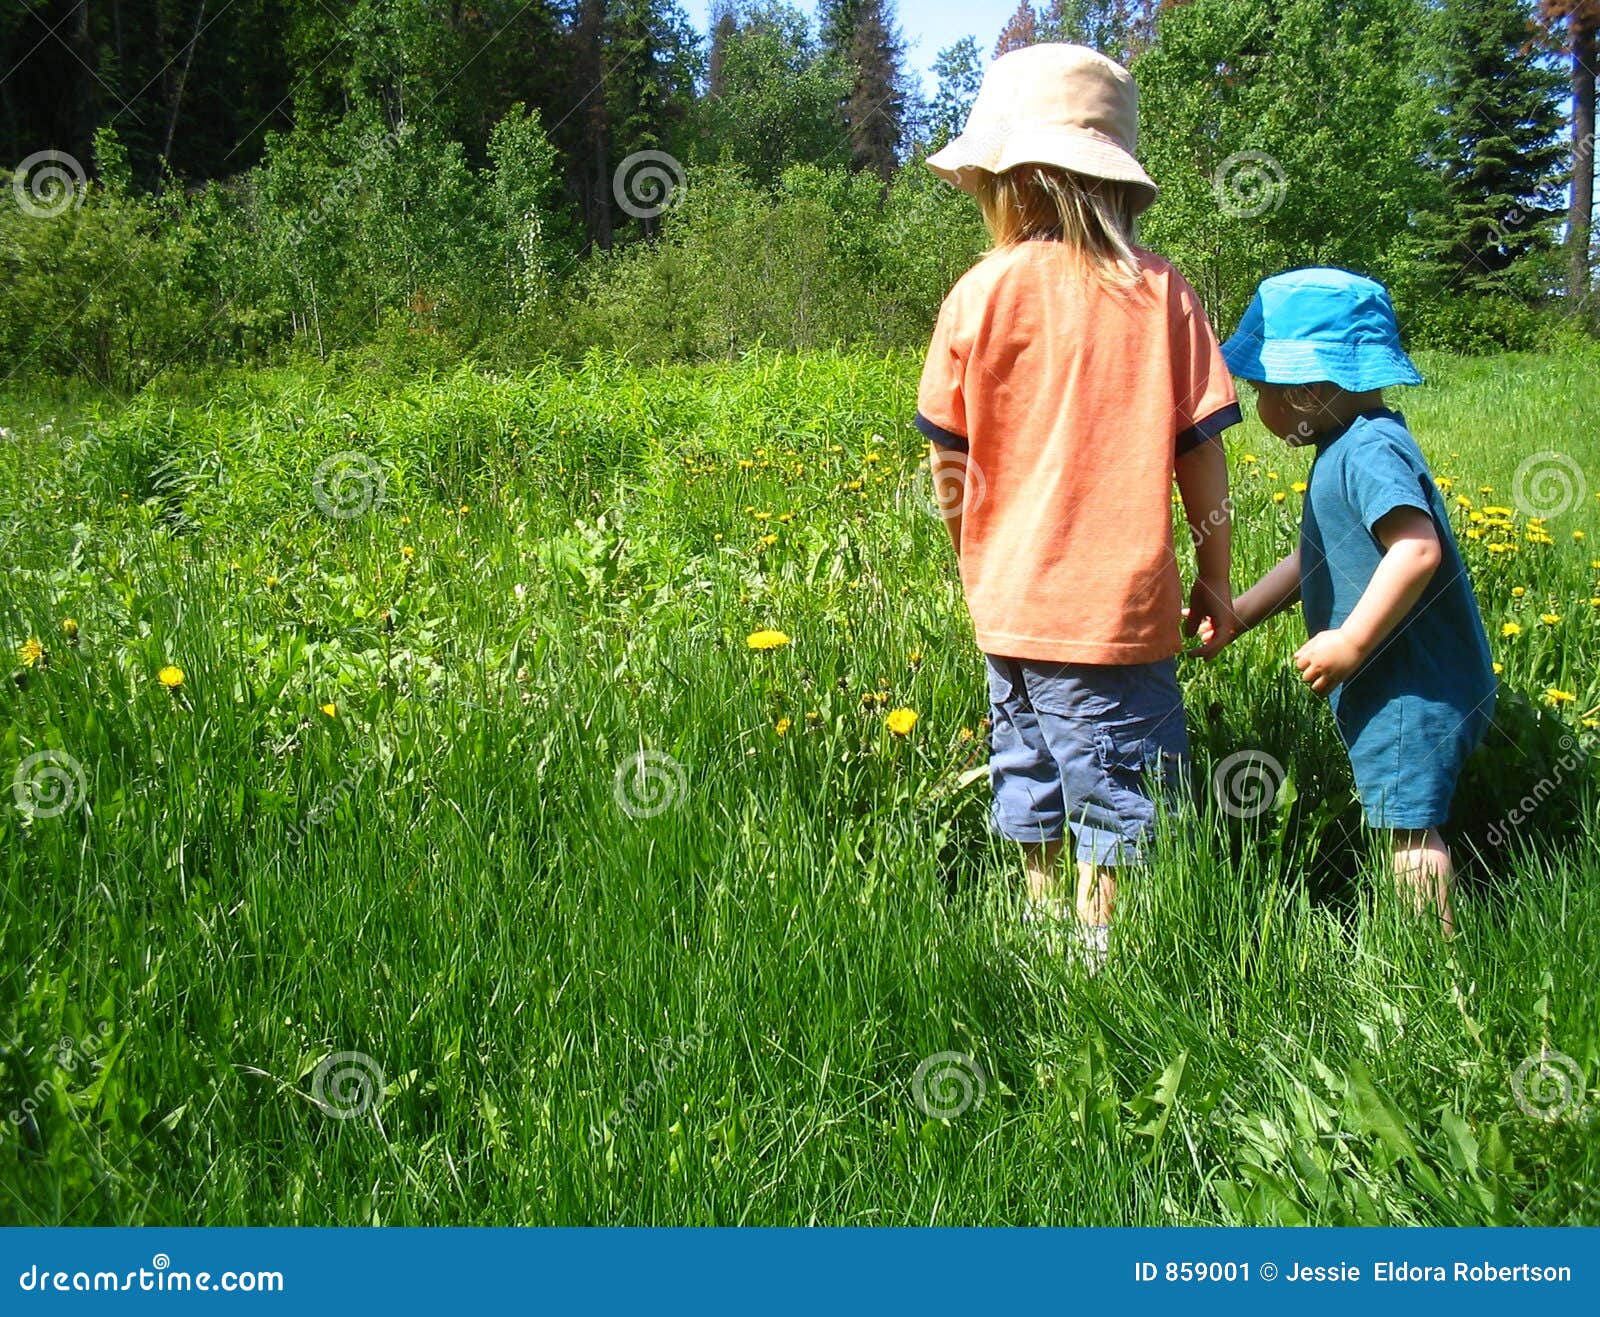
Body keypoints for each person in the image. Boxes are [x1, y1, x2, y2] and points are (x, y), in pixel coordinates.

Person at [915, 44, 1242, 969]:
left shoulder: (976, 295)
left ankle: (1043, 928)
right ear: (1116, 184)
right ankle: (1104, 972)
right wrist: (1214, 578)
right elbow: (1200, 456)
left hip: (1010, 606)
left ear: (1009, 183)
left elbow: (949, 456)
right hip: (1113, 613)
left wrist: (975, 555)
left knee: (1030, 772)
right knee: (1122, 793)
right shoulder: (1161, 293)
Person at [1202, 268, 1495, 937]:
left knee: (1409, 837)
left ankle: (1434, 969)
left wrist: (1351, 641)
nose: (1258, 405)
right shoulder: (1348, 443)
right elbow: (1316, 559)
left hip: (1410, 688)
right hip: (1407, 685)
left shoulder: (1368, 451)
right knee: (1404, 819)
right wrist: (1240, 613)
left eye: (1263, 390)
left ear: (1311, 386)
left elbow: (1417, 549)